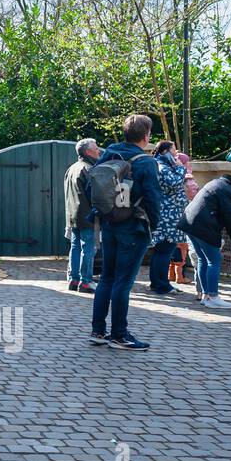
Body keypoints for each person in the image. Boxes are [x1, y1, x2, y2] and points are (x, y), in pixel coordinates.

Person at [89, 114, 161, 351]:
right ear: (146, 136)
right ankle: (119, 335)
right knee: (123, 281)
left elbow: (91, 185)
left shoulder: (110, 152)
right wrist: (155, 224)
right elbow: (152, 197)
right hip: (134, 226)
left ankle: (98, 330)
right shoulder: (146, 162)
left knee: (107, 278)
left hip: (109, 223)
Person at [178, 171, 231, 309]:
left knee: (202, 259)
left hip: (189, 222)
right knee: (214, 260)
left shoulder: (221, 183)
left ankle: (205, 295)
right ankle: (213, 297)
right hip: (203, 226)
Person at [146, 141, 188, 298]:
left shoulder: (161, 165)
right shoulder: (162, 166)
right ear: (165, 152)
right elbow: (174, 183)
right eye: (174, 152)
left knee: (162, 251)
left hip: (168, 215)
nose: (176, 155)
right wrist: (180, 167)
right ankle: (161, 285)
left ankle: (157, 282)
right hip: (167, 217)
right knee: (164, 250)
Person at [63, 138, 100, 293]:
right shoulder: (89, 169)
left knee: (75, 247)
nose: (99, 151)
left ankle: (73, 279)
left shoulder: (71, 168)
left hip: (72, 214)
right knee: (88, 248)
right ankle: (86, 281)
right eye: (96, 148)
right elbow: (94, 195)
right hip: (87, 214)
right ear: (88, 152)